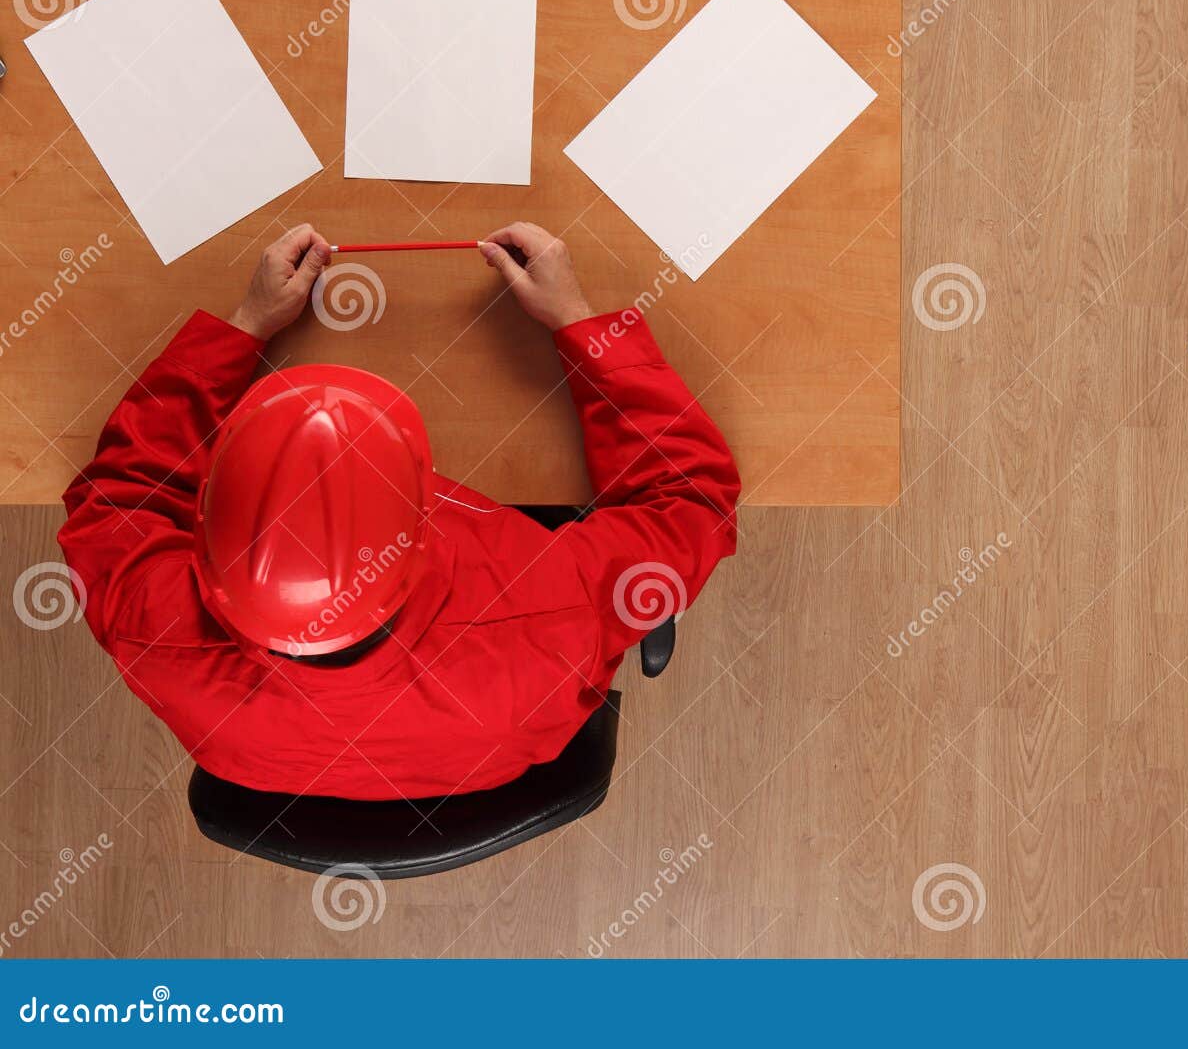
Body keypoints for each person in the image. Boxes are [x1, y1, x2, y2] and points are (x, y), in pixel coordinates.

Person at [56, 223, 740, 799]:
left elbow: (117, 494)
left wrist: (245, 327)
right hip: (494, 737)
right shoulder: (548, 621)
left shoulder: (160, 638)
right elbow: (692, 497)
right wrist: (578, 318)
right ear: (429, 511)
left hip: (278, 762)